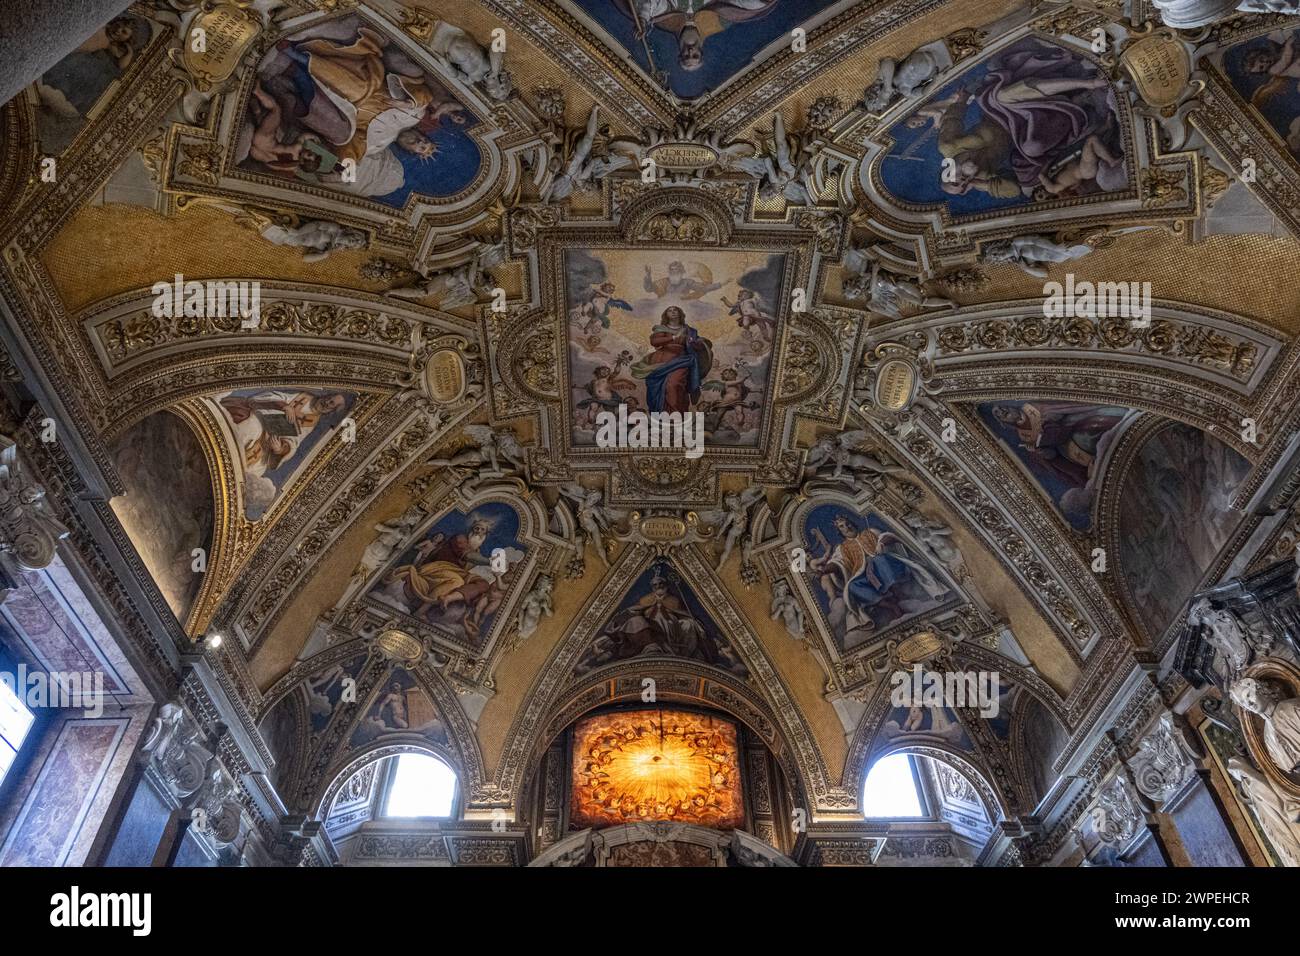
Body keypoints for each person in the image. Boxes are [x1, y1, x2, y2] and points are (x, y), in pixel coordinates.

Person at [631, 306, 712, 413]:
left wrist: (700, 343)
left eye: (675, 310)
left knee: (674, 384)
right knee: (655, 387)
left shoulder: (689, 330)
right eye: (670, 310)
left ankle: (676, 415)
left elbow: (698, 345)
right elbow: (655, 342)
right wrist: (673, 337)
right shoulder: (661, 328)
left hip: (681, 360)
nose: (673, 312)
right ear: (666, 315)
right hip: (661, 361)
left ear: (680, 313)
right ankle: (660, 415)